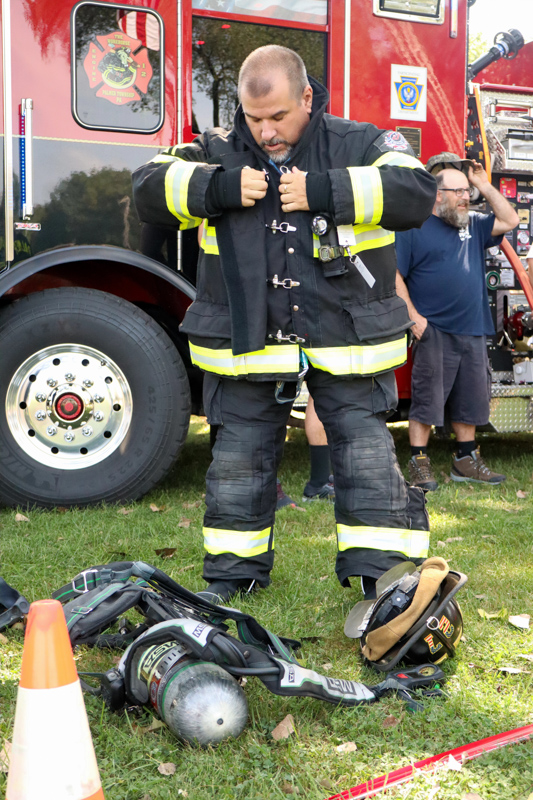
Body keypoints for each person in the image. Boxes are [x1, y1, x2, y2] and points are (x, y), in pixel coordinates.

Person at [133, 45, 437, 604]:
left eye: (278, 117)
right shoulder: (216, 150)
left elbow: (417, 192)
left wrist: (327, 191)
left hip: (347, 338)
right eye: (255, 119)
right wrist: (215, 188)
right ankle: (231, 580)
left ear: (306, 96)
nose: (267, 132)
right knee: (238, 461)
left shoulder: (361, 141)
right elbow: (146, 186)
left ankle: (384, 580)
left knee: (365, 456)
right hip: (248, 346)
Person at [395, 153, 519, 491]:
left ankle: (465, 459)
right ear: (438, 195)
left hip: (474, 328)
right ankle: (419, 462)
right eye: (459, 191)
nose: (467, 197)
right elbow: (394, 275)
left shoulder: (474, 224)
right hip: (434, 330)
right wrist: (414, 319)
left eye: (468, 191)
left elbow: (509, 220)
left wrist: (483, 184)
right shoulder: (414, 227)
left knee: (471, 399)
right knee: (427, 400)